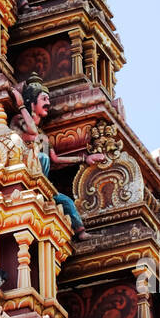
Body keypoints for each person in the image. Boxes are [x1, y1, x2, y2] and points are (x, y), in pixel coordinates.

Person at [10, 77, 105, 241]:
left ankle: (80, 232)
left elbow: (55, 159)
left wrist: (84, 159)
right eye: (44, 99)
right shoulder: (18, 120)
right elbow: (31, 131)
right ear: (32, 103)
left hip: (43, 186)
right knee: (41, 157)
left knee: (66, 202)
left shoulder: (43, 137)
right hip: (22, 180)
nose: (48, 103)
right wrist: (20, 105)